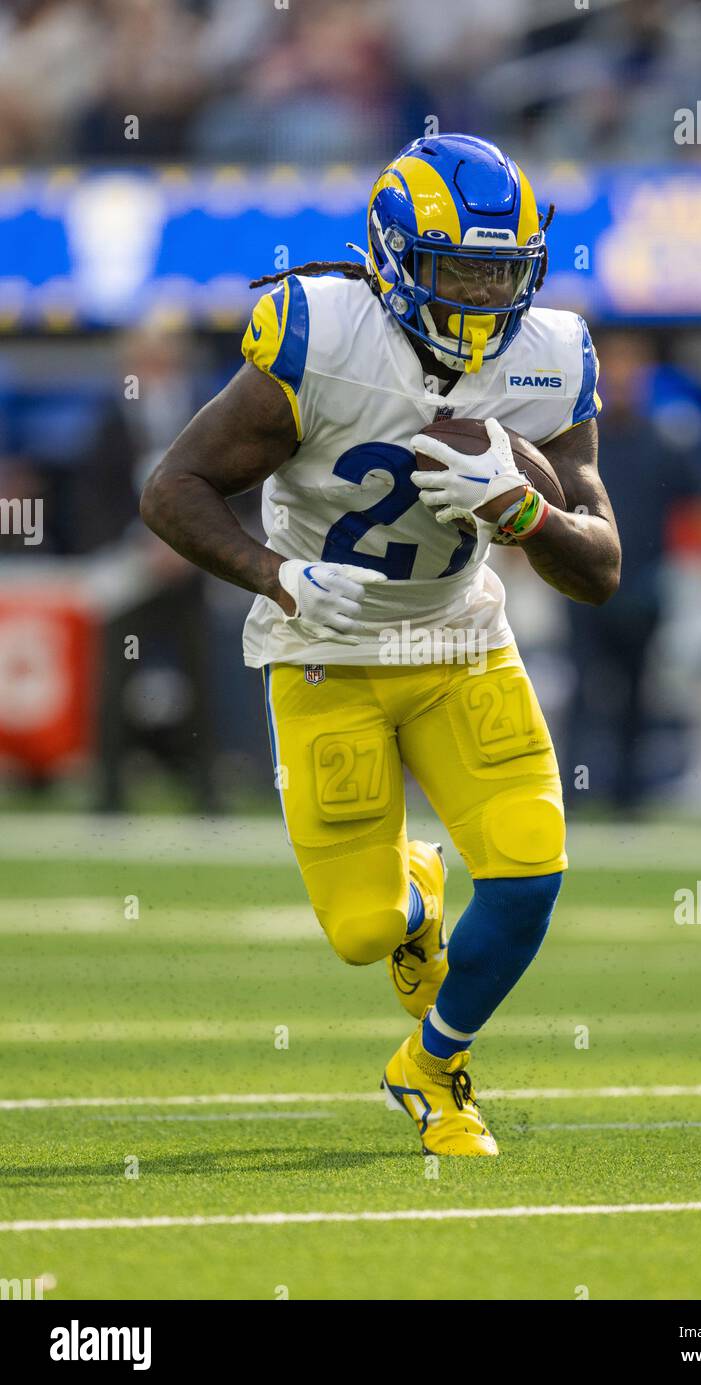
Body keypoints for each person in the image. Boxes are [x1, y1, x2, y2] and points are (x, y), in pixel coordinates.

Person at [140, 133, 620, 1156]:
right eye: (459, 270)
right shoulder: (318, 333)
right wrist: (277, 573)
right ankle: (412, 891)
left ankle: (432, 1067)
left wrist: (522, 516)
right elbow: (170, 488)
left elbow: (600, 566)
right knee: (365, 933)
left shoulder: (552, 355)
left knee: (532, 872)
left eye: (504, 270)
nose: (485, 295)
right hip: (327, 646)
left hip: (459, 639)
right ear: (395, 257)